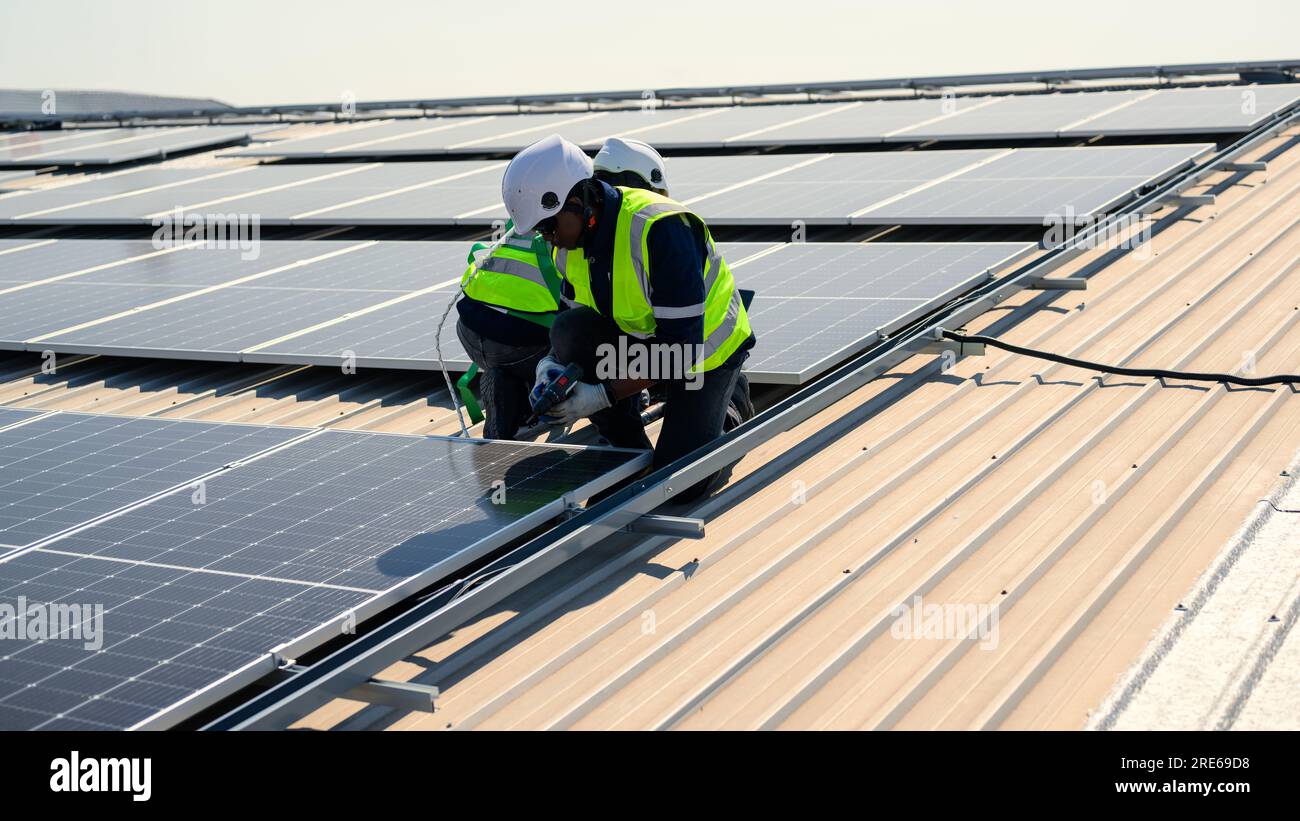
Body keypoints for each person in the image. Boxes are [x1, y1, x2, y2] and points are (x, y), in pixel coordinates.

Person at [505, 134, 756, 501]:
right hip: (648, 344)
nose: (548, 239)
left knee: (682, 485)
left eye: (548, 227)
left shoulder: (661, 230)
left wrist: (601, 395)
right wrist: (550, 366)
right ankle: (631, 449)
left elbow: (679, 353)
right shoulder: (569, 246)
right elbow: (572, 327)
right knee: (569, 332)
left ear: (578, 203)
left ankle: (731, 404)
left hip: (704, 355)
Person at [455, 137, 671, 440]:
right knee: (603, 347)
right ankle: (624, 422)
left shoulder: (542, 203)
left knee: (572, 341)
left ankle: (511, 384)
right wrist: (611, 392)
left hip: (471, 328)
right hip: (522, 339)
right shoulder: (584, 229)